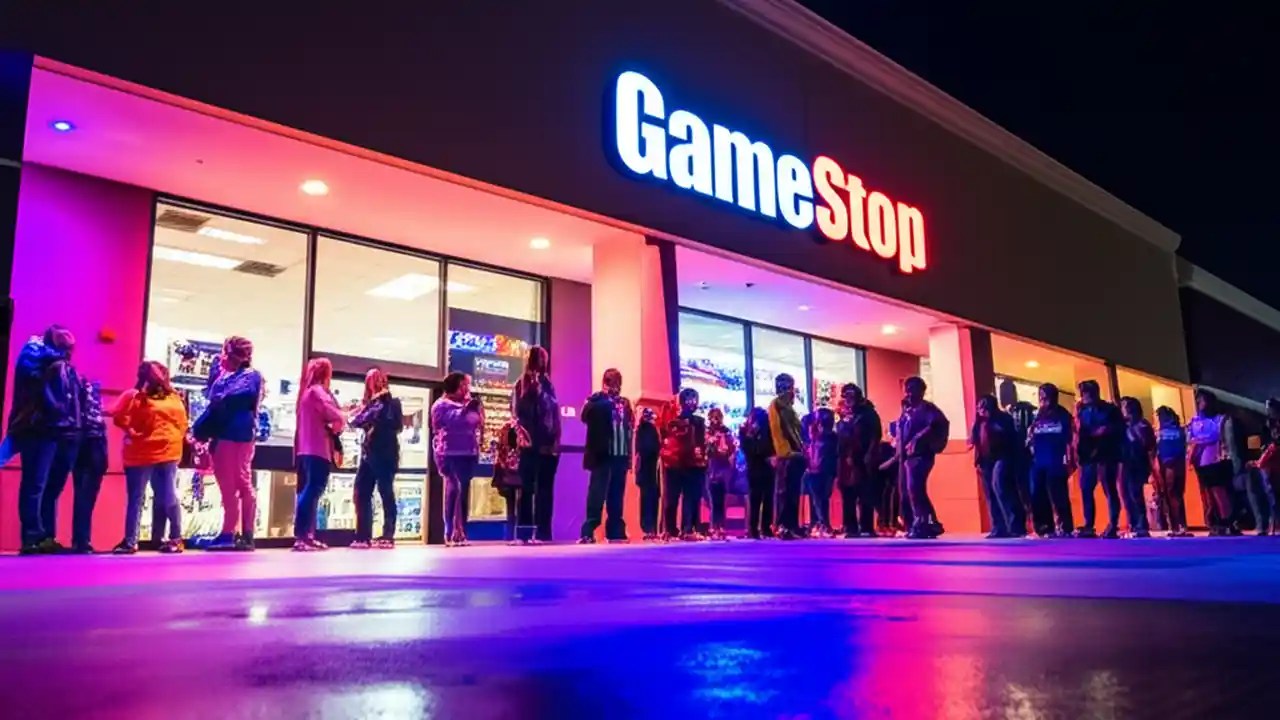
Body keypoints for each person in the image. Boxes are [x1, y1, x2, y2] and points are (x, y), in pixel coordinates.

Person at [9, 326, 81, 554]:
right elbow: (52, 398)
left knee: (44, 486)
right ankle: (33, 537)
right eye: (66, 346)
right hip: (41, 428)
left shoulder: (50, 363)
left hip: (51, 429)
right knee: (36, 484)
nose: (70, 351)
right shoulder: (43, 362)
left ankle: (43, 536)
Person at [111, 361, 188, 554]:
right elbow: (118, 416)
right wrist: (131, 430)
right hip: (148, 452)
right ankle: (139, 540)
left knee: (160, 497)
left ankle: (164, 539)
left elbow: (182, 424)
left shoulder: (167, 397)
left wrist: (131, 430)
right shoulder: (138, 396)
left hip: (160, 452)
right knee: (151, 497)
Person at [195, 336, 263, 552]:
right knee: (232, 483)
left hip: (235, 435)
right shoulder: (230, 377)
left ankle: (235, 533)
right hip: (228, 435)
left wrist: (221, 394)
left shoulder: (249, 376)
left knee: (236, 482)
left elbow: (228, 398)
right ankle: (235, 532)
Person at [292, 358, 345, 551]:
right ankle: (302, 535)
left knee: (308, 491)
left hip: (305, 449)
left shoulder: (306, 393)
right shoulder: (318, 392)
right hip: (318, 448)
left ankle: (307, 535)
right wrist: (340, 421)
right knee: (313, 490)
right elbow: (335, 415)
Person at [349, 368, 403, 549]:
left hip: (385, 453)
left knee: (385, 492)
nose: (375, 383)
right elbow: (356, 421)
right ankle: (363, 535)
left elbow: (396, 425)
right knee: (362, 492)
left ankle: (388, 534)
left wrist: (376, 412)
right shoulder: (368, 405)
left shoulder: (391, 403)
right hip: (369, 453)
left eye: (377, 379)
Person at [511, 346, 560, 543]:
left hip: (547, 443)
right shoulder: (522, 384)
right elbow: (517, 413)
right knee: (526, 488)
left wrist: (556, 439)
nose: (543, 363)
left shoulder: (548, 384)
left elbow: (554, 412)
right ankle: (524, 533)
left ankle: (543, 533)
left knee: (545, 490)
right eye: (540, 359)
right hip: (529, 444)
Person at [579, 368, 634, 544]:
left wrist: (630, 458)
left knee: (616, 496)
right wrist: (599, 400)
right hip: (603, 455)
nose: (615, 386)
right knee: (597, 494)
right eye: (612, 382)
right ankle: (588, 531)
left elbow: (629, 427)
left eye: (618, 382)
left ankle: (615, 531)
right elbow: (584, 416)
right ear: (605, 382)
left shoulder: (624, 403)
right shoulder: (596, 400)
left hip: (620, 454)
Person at [433, 371, 484, 547]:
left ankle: (462, 532)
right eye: (463, 385)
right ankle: (449, 532)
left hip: (467, 453)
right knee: (454, 489)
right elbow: (448, 422)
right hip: (449, 453)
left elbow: (476, 422)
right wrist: (465, 410)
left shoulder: (467, 404)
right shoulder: (441, 405)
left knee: (464, 493)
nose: (466, 389)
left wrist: (474, 410)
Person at [896, 376, 949, 539]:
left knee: (915, 489)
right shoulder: (907, 411)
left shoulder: (927, 409)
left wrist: (919, 439)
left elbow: (939, 424)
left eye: (912, 389)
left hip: (920, 455)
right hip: (906, 457)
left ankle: (922, 523)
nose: (908, 393)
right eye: (907, 390)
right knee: (907, 491)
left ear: (921, 391)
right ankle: (926, 523)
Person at [1075, 380, 1125, 539]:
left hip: (1106, 454)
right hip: (1088, 456)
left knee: (1109, 489)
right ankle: (1089, 525)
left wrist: (1105, 430)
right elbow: (1078, 432)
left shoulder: (1110, 410)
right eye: (1083, 393)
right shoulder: (1081, 411)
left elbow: (1119, 428)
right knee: (1086, 489)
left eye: (1087, 392)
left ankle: (1113, 524)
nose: (1085, 396)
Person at [1000, 379, 1050, 536]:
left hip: (1023, 456)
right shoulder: (1016, 411)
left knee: (1028, 491)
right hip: (1019, 456)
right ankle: (1031, 525)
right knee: (1024, 491)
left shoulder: (1020, 411)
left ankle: (1035, 525)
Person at [970, 394, 1022, 538]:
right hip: (985, 460)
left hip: (1002, 456)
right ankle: (998, 527)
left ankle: (1014, 526)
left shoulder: (1003, 419)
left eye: (984, 407)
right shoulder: (979, 422)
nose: (981, 410)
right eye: (979, 408)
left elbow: (1011, 438)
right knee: (990, 493)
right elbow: (974, 440)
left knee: (1000, 486)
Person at [1027, 383, 1075, 537]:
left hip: (1056, 460)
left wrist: (1070, 459)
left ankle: (1065, 527)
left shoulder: (1062, 415)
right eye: (1040, 397)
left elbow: (1070, 439)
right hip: (1038, 460)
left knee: (1058, 494)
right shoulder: (1037, 415)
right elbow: (1031, 435)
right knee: (1037, 494)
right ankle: (1044, 527)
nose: (1042, 400)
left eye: (1045, 397)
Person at [659, 388, 707, 540]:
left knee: (683, 498)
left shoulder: (696, 422)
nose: (691, 403)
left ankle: (680, 529)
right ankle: (678, 529)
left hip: (685, 464)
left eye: (693, 399)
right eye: (689, 400)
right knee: (679, 498)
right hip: (681, 464)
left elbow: (701, 443)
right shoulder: (677, 421)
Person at [1186, 389, 1236, 536]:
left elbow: (1215, 435)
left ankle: (1227, 522)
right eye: (1197, 400)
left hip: (1215, 460)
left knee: (1219, 493)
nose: (1198, 403)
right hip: (1200, 462)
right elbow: (1190, 439)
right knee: (1208, 495)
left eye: (1201, 400)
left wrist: (1199, 440)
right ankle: (1214, 523)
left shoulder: (1219, 419)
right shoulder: (1194, 421)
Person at [836, 384, 882, 539]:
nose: (847, 399)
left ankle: (867, 527)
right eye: (845, 396)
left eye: (850, 395)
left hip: (862, 458)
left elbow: (875, 436)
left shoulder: (868, 414)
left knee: (865, 493)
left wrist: (869, 454)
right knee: (847, 493)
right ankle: (850, 527)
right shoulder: (845, 415)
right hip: (845, 460)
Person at [71, 376, 109, 554]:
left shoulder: (77, 404)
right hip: (93, 444)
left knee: (82, 494)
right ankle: (82, 539)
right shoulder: (95, 416)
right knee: (86, 496)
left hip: (82, 443)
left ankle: (80, 539)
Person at [768, 373, 806, 540]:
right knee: (786, 492)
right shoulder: (779, 406)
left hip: (793, 454)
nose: (792, 392)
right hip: (787, 455)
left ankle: (791, 525)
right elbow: (780, 430)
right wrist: (785, 452)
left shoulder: (786, 407)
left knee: (793, 492)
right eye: (790, 388)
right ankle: (784, 526)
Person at [1118, 397, 1155, 538]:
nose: (1122, 408)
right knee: (1125, 494)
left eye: (1124, 406)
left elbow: (1147, 443)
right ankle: (1132, 523)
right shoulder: (1122, 425)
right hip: (1124, 462)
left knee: (1136, 493)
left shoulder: (1142, 424)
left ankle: (1142, 524)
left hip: (1138, 462)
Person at [1154, 406, 1191, 537]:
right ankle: (1177, 524)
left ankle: (1178, 525)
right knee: (1172, 495)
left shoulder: (1166, 432)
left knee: (1172, 494)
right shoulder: (1177, 431)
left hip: (1171, 464)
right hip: (1170, 464)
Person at [739, 407, 775, 539]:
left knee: (767, 499)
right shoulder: (745, 432)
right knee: (756, 499)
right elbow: (750, 449)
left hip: (765, 469)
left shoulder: (768, 432)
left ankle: (765, 528)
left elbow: (768, 448)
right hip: (755, 469)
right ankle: (754, 529)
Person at [803, 408, 838, 537]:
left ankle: (822, 523)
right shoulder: (815, 435)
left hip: (824, 469)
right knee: (817, 498)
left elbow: (832, 454)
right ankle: (820, 523)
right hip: (816, 470)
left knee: (821, 498)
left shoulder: (830, 437)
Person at [704, 407, 737, 540]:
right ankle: (713, 527)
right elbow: (707, 450)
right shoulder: (707, 432)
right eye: (713, 417)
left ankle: (721, 527)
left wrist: (728, 452)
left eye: (718, 417)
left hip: (724, 468)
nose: (715, 420)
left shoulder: (726, 431)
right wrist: (711, 442)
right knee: (712, 500)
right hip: (712, 468)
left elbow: (732, 448)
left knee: (721, 499)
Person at [492, 420, 524, 544]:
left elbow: (498, 464)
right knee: (518, 507)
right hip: (517, 480)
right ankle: (517, 534)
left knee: (510, 508)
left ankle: (510, 535)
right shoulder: (518, 450)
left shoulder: (502, 450)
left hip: (506, 480)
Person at [635, 407, 662, 540]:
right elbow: (649, 449)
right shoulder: (647, 429)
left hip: (648, 471)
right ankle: (649, 528)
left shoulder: (644, 429)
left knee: (650, 499)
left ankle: (651, 528)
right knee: (649, 500)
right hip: (648, 471)